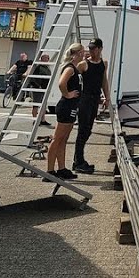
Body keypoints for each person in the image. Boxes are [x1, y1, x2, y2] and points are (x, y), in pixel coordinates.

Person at [72, 38, 112, 174]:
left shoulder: (103, 64)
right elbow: (71, 77)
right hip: (85, 99)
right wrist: (71, 94)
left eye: (93, 48)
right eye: (90, 48)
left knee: (88, 130)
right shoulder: (84, 64)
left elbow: (104, 81)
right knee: (83, 130)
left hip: (95, 99)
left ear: (100, 49)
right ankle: (79, 161)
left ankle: (78, 159)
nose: (91, 51)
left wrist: (107, 97)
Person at [46, 43, 85, 181]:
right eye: (82, 52)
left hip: (73, 107)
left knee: (64, 139)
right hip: (66, 106)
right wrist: (67, 94)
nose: (83, 54)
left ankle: (61, 168)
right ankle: (49, 170)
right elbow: (61, 83)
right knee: (57, 138)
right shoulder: (69, 68)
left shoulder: (77, 68)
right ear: (76, 53)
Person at [27, 53, 53, 126]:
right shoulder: (38, 67)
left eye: (47, 58)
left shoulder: (47, 68)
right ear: (41, 59)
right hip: (38, 88)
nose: (47, 60)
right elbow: (33, 78)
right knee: (36, 104)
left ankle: (43, 120)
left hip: (45, 88)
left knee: (44, 104)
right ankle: (35, 120)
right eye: (45, 58)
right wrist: (37, 86)